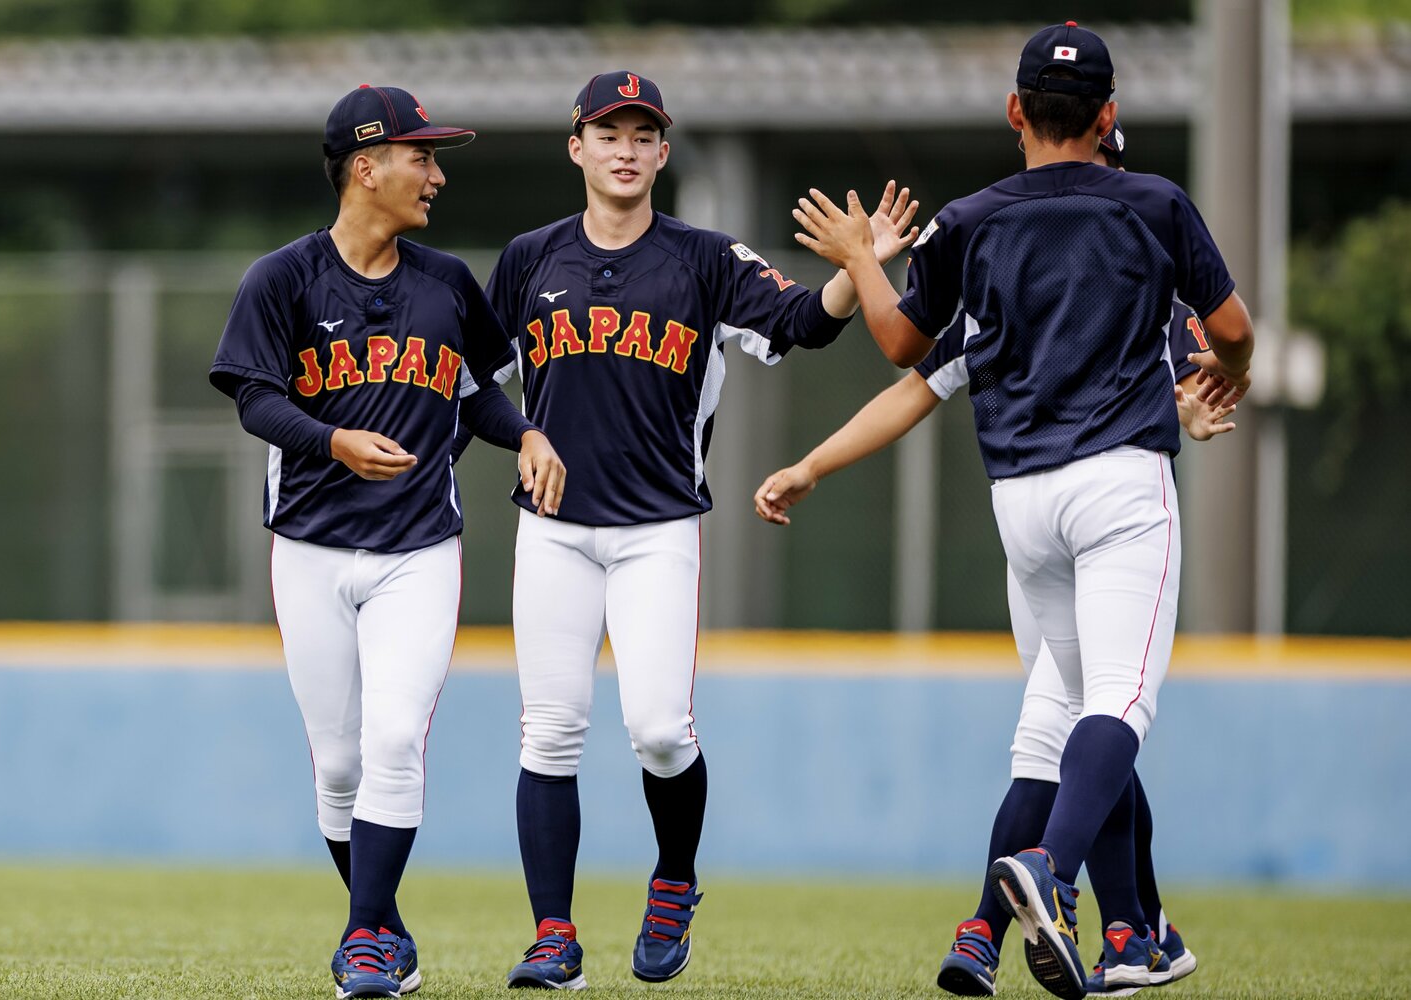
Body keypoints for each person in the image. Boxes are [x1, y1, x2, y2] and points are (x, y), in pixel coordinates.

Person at [788, 22, 1253, 1000]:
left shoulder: (974, 225)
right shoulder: (1152, 208)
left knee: (1065, 726)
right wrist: (1231, 375)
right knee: (1117, 707)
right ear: (1111, 117)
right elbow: (1230, 332)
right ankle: (1056, 874)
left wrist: (862, 258)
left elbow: (903, 351)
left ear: (1014, 112)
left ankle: (1056, 933)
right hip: (1119, 487)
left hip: (1021, 504)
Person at [481, 71, 918, 990]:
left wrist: (859, 269)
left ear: (664, 152)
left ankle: (674, 878)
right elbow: (476, 378)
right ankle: (553, 937)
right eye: (609, 133)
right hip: (553, 530)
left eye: (644, 134)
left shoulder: (707, 258)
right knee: (548, 736)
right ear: (577, 147)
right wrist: (515, 434)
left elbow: (803, 323)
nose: (626, 149)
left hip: (657, 528)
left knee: (660, 732)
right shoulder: (528, 258)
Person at [208, 84, 564, 999]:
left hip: (417, 549)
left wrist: (521, 430)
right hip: (311, 548)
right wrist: (330, 440)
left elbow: (476, 390)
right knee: (337, 761)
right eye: (422, 156)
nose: (436, 176)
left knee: (395, 737)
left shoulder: (445, 282)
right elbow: (253, 396)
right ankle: (385, 926)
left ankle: (363, 939)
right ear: (365, 168)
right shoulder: (282, 279)